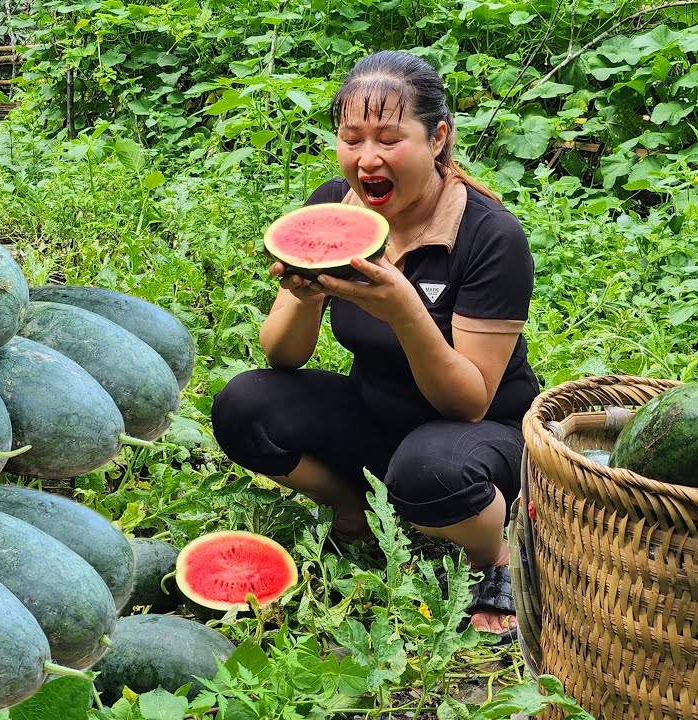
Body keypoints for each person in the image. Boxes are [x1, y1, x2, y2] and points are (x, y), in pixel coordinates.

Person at [210, 50, 540, 641]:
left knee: (428, 472)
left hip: (485, 431)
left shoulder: (491, 235)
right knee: (245, 406)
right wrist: (305, 294)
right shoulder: (333, 206)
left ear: (439, 137)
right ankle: (358, 507)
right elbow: (283, 355)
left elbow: (468, 401)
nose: (367, 159)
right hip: (378, 413)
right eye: (352, 137)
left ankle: (497, 552)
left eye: (390, 138)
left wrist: (403, 308)